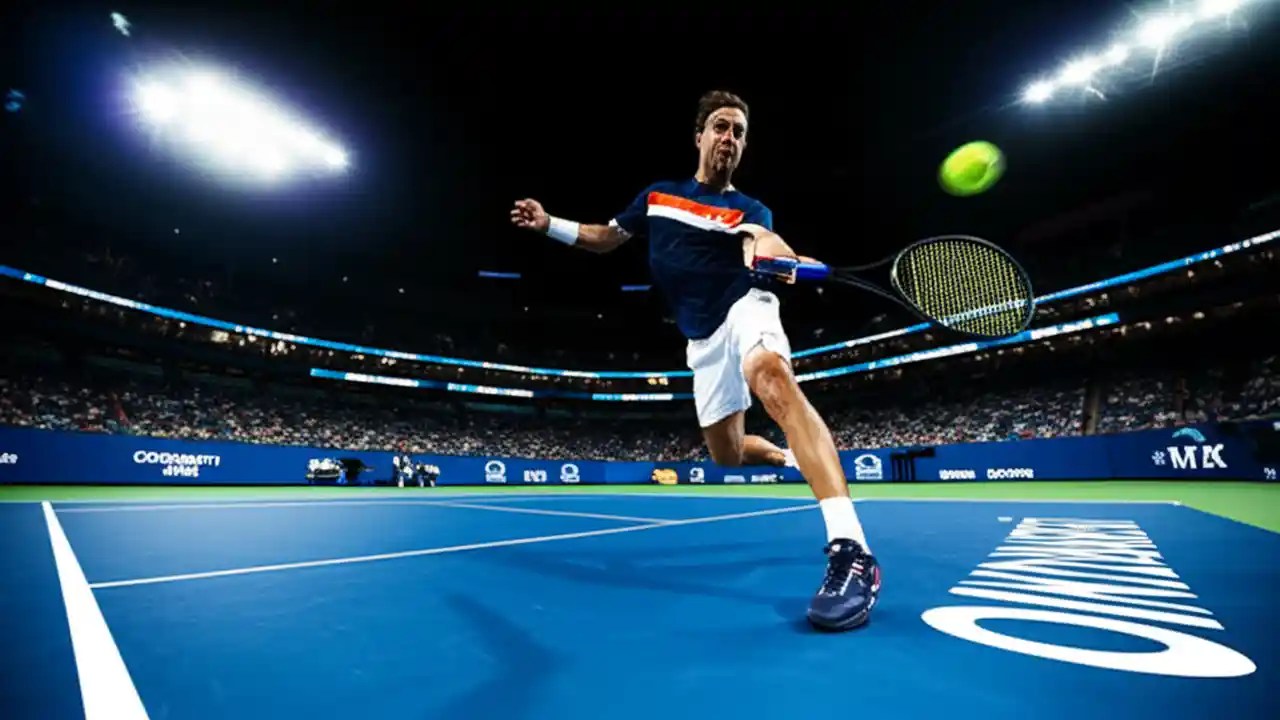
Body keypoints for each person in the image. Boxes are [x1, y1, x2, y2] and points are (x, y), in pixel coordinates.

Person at [510, 90, 880, 631]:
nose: (729, 138)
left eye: (739, 133)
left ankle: (852, 552)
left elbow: (763, 241)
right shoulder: (659, 197)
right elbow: (607, 238)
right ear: (700, 136)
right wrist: (550, 225)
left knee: (771, 378)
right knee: (726, 456)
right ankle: (785, 458)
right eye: (722, 127)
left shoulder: (750, 209)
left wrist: (776, 256)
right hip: (701, 340)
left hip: (743, 308)